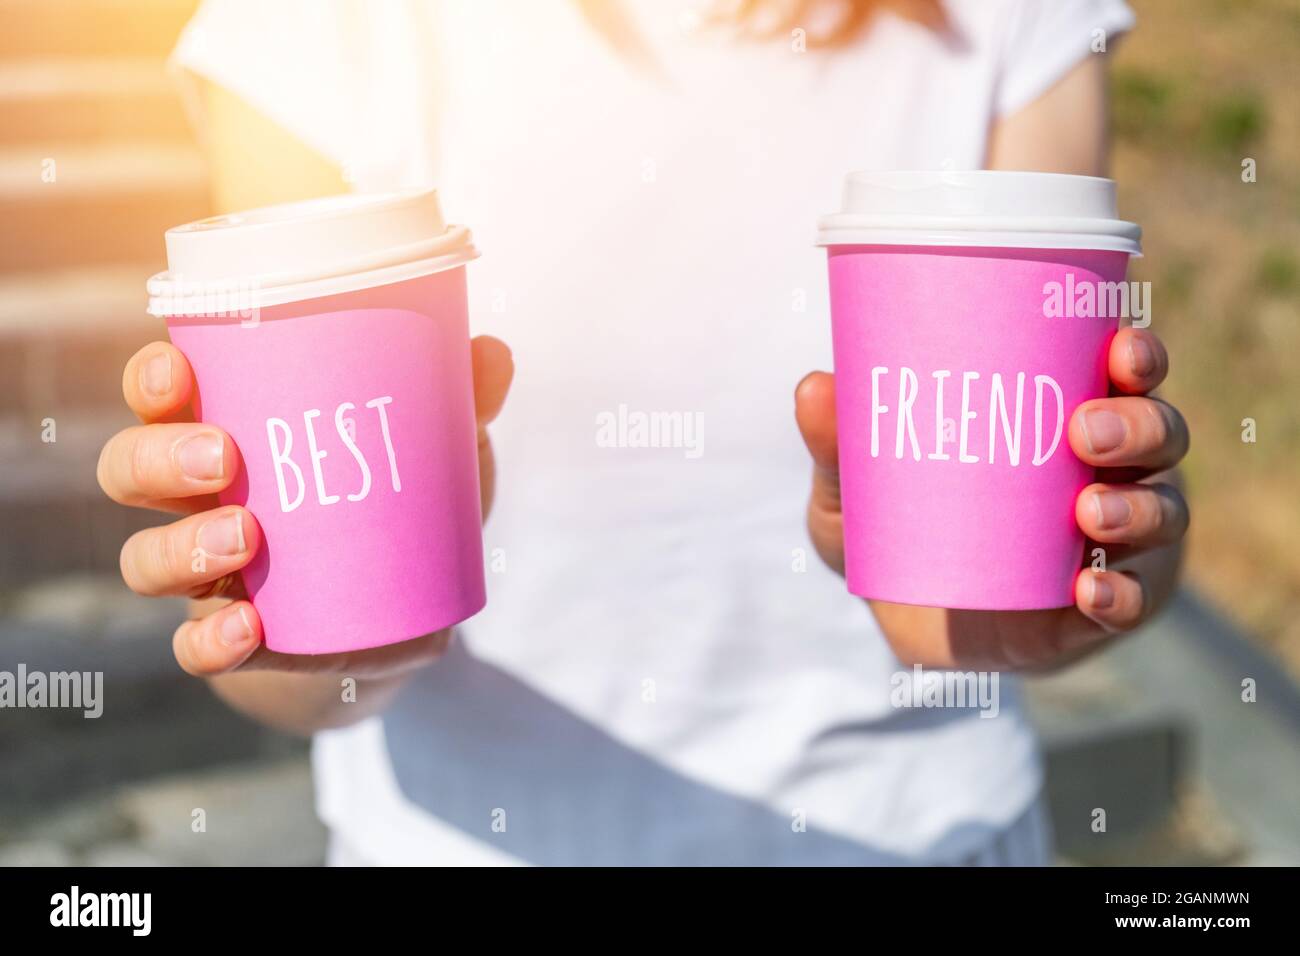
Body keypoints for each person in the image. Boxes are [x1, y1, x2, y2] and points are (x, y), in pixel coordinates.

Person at [97, 0, 1189, 865]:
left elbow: (1088, 456)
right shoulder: (321, 24)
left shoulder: (1004, 15)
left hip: (922, 832)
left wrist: (1096, 564)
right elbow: (289, 657)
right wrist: (309, 623)